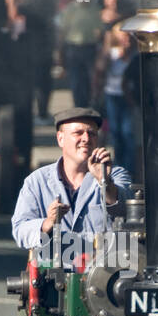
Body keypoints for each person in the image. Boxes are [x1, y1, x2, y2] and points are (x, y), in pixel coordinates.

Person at [11, 106, 131, 251]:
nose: (86, 138)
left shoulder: (115, 175)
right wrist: (47, 223)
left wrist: (104, 182)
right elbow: (20, 230)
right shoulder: (36, 181)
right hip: (54, 271)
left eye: (92, 133)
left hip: (104, 271)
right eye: (78, 133)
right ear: (60, 139)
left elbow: (126, 211)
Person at [93, 25, 138, 176]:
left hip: (128, 97)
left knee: (127, 132)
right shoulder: (111, 53)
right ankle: (119, 165)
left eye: (129, 37)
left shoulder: (135, 54)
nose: (126, 40)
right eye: (123, 36)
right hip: (112, 94)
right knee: (116, 132)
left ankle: (129, 168)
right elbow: (99, 70)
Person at [57, 0, 103, 108]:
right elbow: (63, 30)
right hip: (73, 48)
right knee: (76, 80)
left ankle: (88, 104)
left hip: (90, 48)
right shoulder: (71, 9)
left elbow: (100, 30)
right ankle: (79, 105)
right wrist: (60, 50)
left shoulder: (95, 9)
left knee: (89, 79)